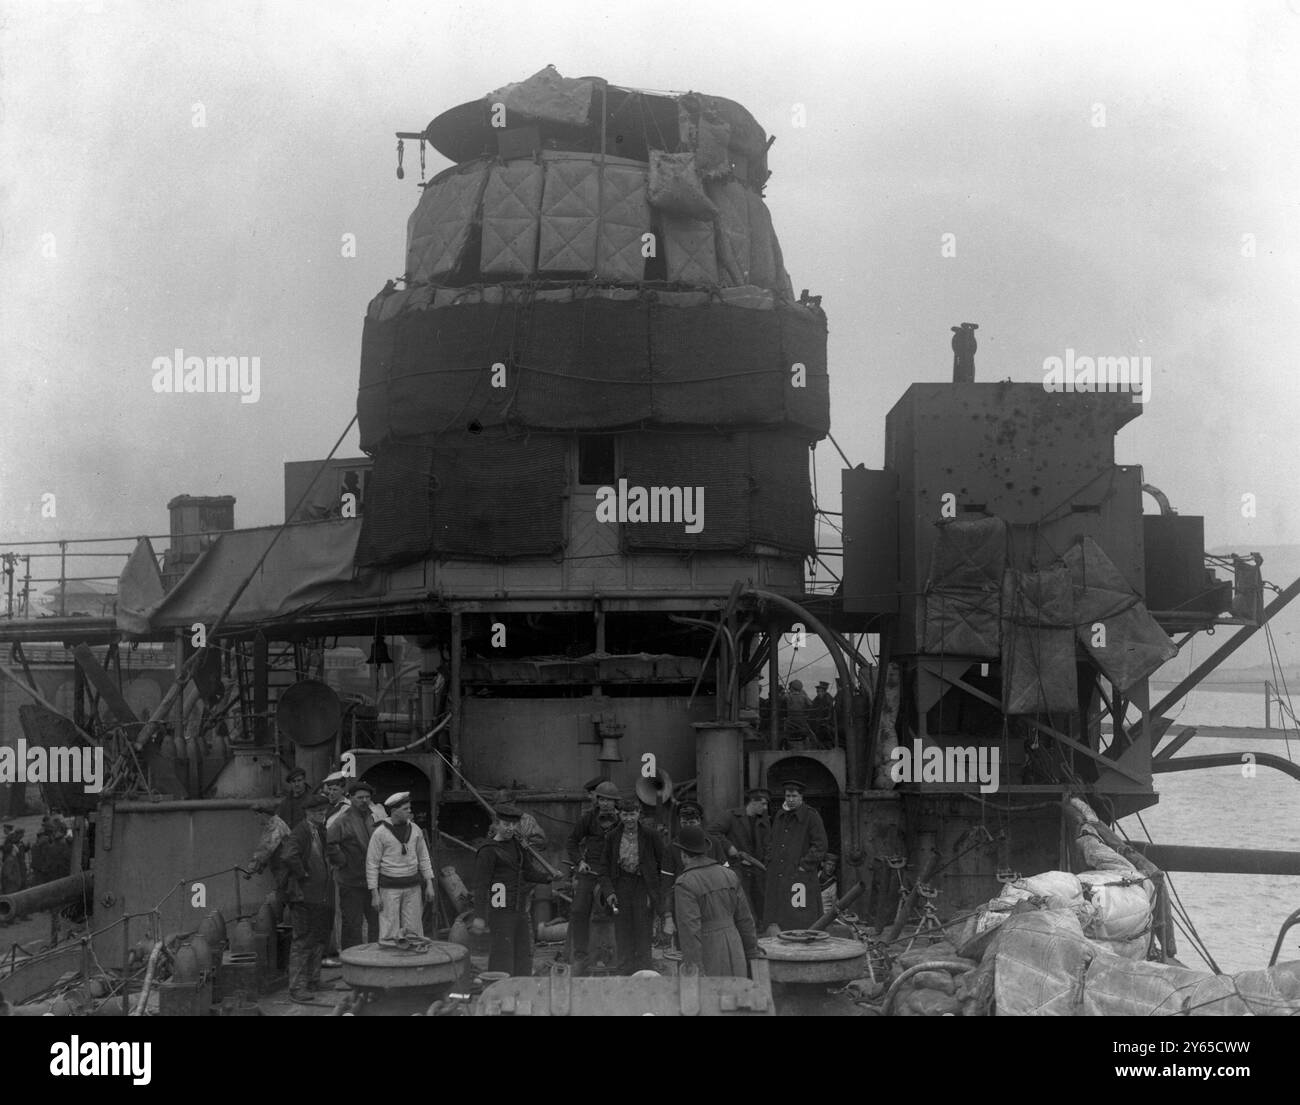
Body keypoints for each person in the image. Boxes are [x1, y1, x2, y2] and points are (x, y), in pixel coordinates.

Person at [672, 825, 763, 977]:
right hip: (735, 946)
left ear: (684, 855)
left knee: (710, 998)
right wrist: (752, 952)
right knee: (735, 996)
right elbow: (745, 920)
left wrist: (694, 967)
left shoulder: (685, 883)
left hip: (709, 951)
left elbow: (690, 931)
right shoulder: (729, 875)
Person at [471, 804, 551, 976]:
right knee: (502, 956)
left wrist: (549, 878)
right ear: (497, 825)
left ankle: (520, 991)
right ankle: (499, 990)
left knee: (523, 954)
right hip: (499, 912)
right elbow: (480, 886)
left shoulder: (518, 846)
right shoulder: (488, 851)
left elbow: (529, 872)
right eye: (506, 824)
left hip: (519, 909)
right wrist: (479, 916)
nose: (511, 828)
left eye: (514, 825)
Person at [599, 797, 672, 975]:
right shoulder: (612, 837)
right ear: (619, 815)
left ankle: (645, 973)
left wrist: (657, 893)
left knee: (643, 931)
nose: (629, 819)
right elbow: (603, 868)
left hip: (643, 886)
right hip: (621, 885)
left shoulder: (651, 835)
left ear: (638, 814)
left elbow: (664, 864)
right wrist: (609, 892)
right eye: (625, 815)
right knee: (623, 933)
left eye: (632, 814)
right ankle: (624, 973)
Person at [281, 795, 335, 1002]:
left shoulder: (319, 830)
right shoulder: (301, 831)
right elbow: (288, 855)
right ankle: (297, 988)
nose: (323, 815)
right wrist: (302, 874)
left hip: (319, 896)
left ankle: (313, 980)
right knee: (302, 942)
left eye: (324, 811)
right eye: (319, 812)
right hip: (304, 896)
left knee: (318, 938)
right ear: (309, 813)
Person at [366, 791, 436, 943]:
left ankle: (412, 962)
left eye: (409, 808)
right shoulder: (380, 833)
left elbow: (424, 858)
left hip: (413, 887)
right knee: (389, 930)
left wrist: (429, 883)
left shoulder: (416, 830)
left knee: (414, 930)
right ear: (394, 811)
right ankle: (389, 962)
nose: (410, 811)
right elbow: (371, 864)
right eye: (405, 809)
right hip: (389, 888)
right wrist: (374, 894)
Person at [565, 779, 619, 974]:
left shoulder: (622, 821)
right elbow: (572, 841)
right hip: (591, 872)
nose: (605, 803)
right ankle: (581, 956)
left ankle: (621, 957)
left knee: (618, 913)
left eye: (609, 800)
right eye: (601, 799)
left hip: (612, 875)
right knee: (578, 910)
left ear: (615, 802)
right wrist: (580, 861)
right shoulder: (588, 819)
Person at [763, 779, 828, 933]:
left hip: (801, 877)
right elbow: (772, 841)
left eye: (794, 796)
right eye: (787, 796)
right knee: (781, 915)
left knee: (802, 916)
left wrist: (804, 866)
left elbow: (820, 845)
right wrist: (770, 860)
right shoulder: (780, 815)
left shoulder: (811, 816)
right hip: (780, 875)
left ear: (801, 797)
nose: (790, 800)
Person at [327, 779, 378, 949]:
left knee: (376, 922)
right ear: (351, 798)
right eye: (360, 797)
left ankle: (375, 958)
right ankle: (352, 960)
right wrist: (342, 861)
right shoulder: (343, 820)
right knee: (352, 925)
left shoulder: (373, 817)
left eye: (367, 797)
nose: (364, 801)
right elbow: (330, 843)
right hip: (350, 882)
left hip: (371, 882)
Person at [708, 788, 771, 919]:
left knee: (761, 902)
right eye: (763, 804)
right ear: (753, 801)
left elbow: (768, 844)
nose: (765, 808)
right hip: (737, 868)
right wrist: (729, 846)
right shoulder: (730, 816)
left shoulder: (763, 821)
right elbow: (712, 831)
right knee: (744, 903)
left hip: (757, 869)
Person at [784, 680, 815, 747]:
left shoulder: (787, 697)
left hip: (790, 722)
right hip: (801, 722)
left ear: (792, 688)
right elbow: (811, 705)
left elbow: (782, 705)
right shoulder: (804, 697)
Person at [811, 681, 835, 746]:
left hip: (826, 723)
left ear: (824, 692)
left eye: (820, 691)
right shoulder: (817, 699)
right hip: (818, 722)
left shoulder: (828, 700)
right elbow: (812, 707)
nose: (818, 693)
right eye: (817, 692)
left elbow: (830, 714)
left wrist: (822, 720)